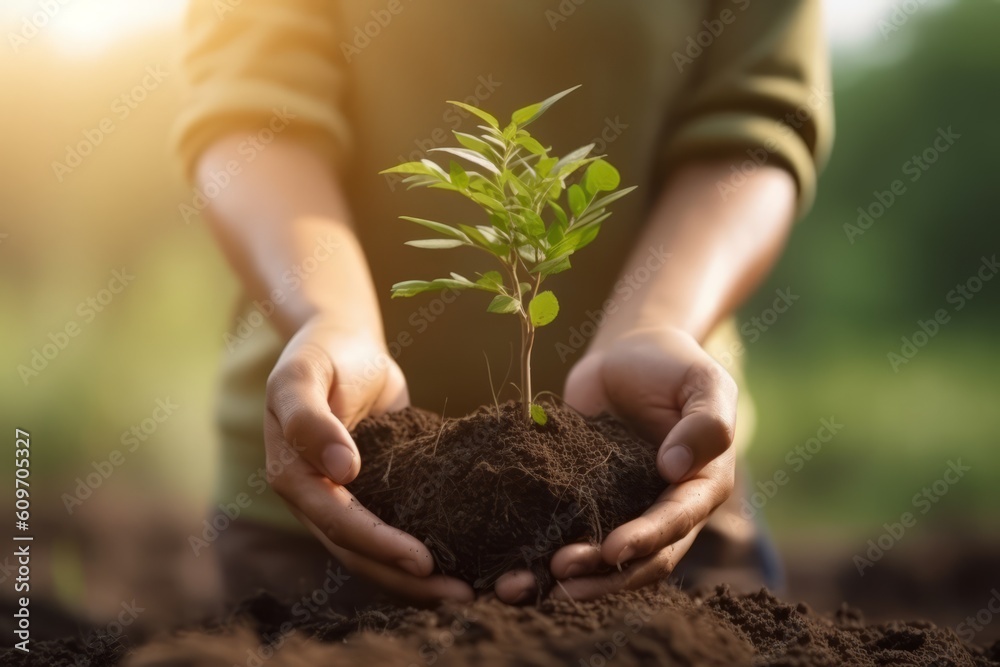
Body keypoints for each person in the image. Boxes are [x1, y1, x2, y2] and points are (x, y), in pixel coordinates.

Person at [174, 0, 832, 608]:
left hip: (652, 469)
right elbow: (251, 111)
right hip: (337, 482)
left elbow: (756, 126)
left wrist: (657, 325)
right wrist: (333, 319)